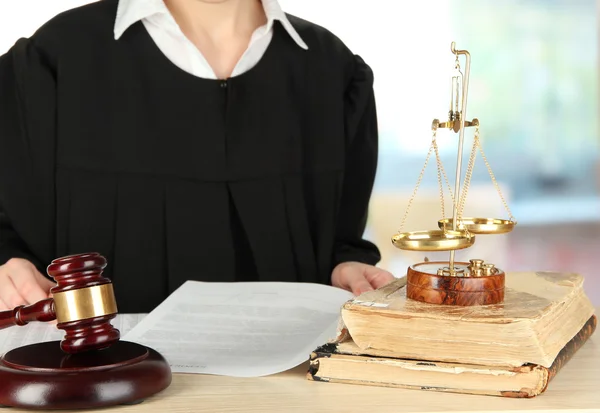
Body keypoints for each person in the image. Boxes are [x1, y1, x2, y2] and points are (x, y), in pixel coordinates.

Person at [0, 0, 394, 313]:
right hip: (94, 387)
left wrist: (346, 269)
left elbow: (340, 237)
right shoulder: (53, 61)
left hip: (288, 383)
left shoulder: (334, 72)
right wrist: (6, 265)